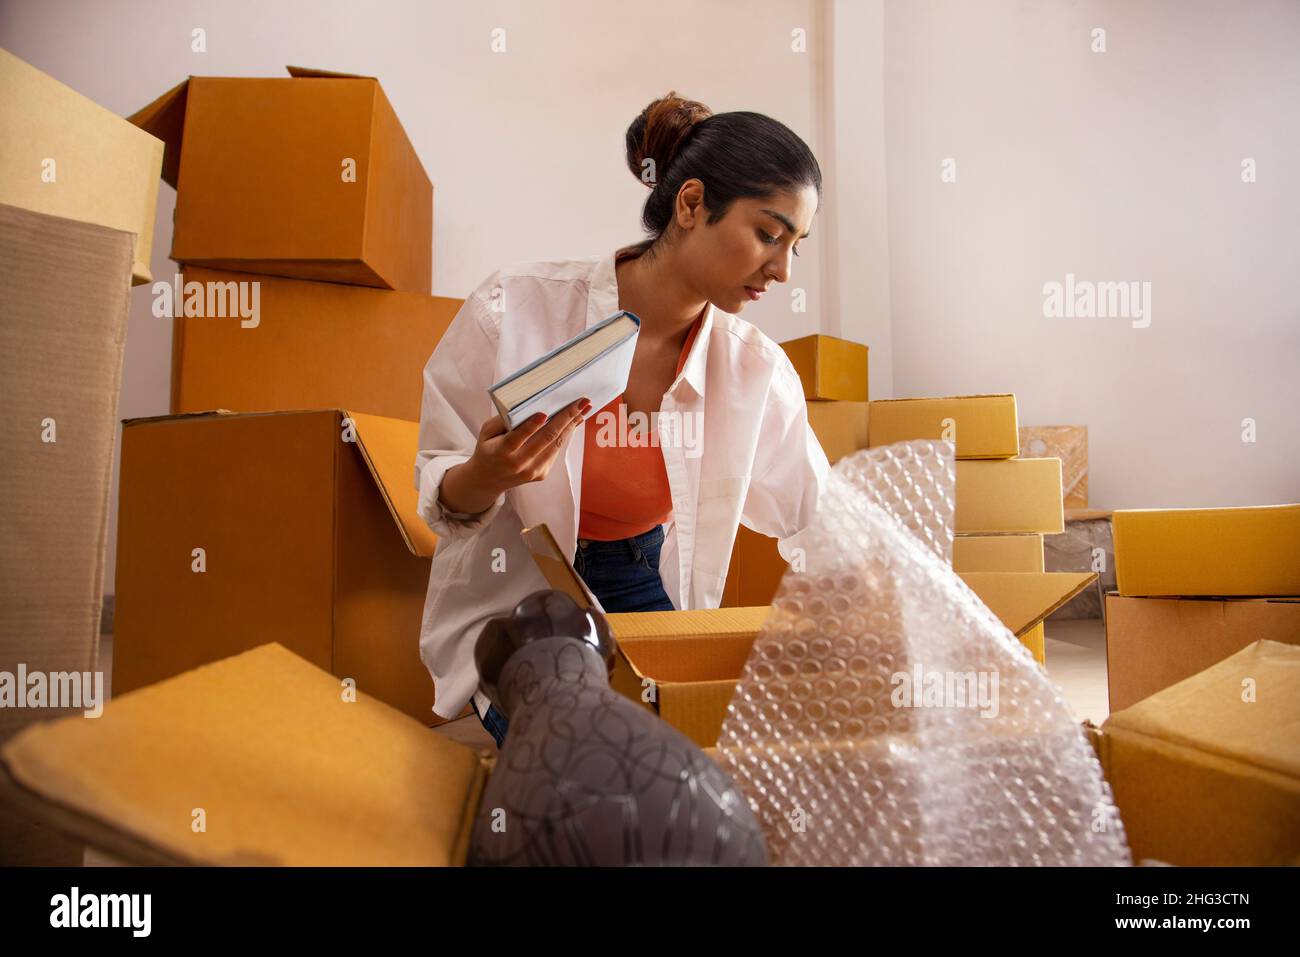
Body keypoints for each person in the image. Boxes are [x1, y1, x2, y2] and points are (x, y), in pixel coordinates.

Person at [414, 91, 830, 749]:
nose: (779, 270)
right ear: (691, 204)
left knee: (680, 744)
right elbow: (439, 498)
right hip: (524, 595)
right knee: (576, 745)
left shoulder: (754, 370)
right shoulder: (514, 311)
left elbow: (816, 515)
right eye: (768, 234)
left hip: (639, 579)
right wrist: (485, 475)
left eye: (794, 248)